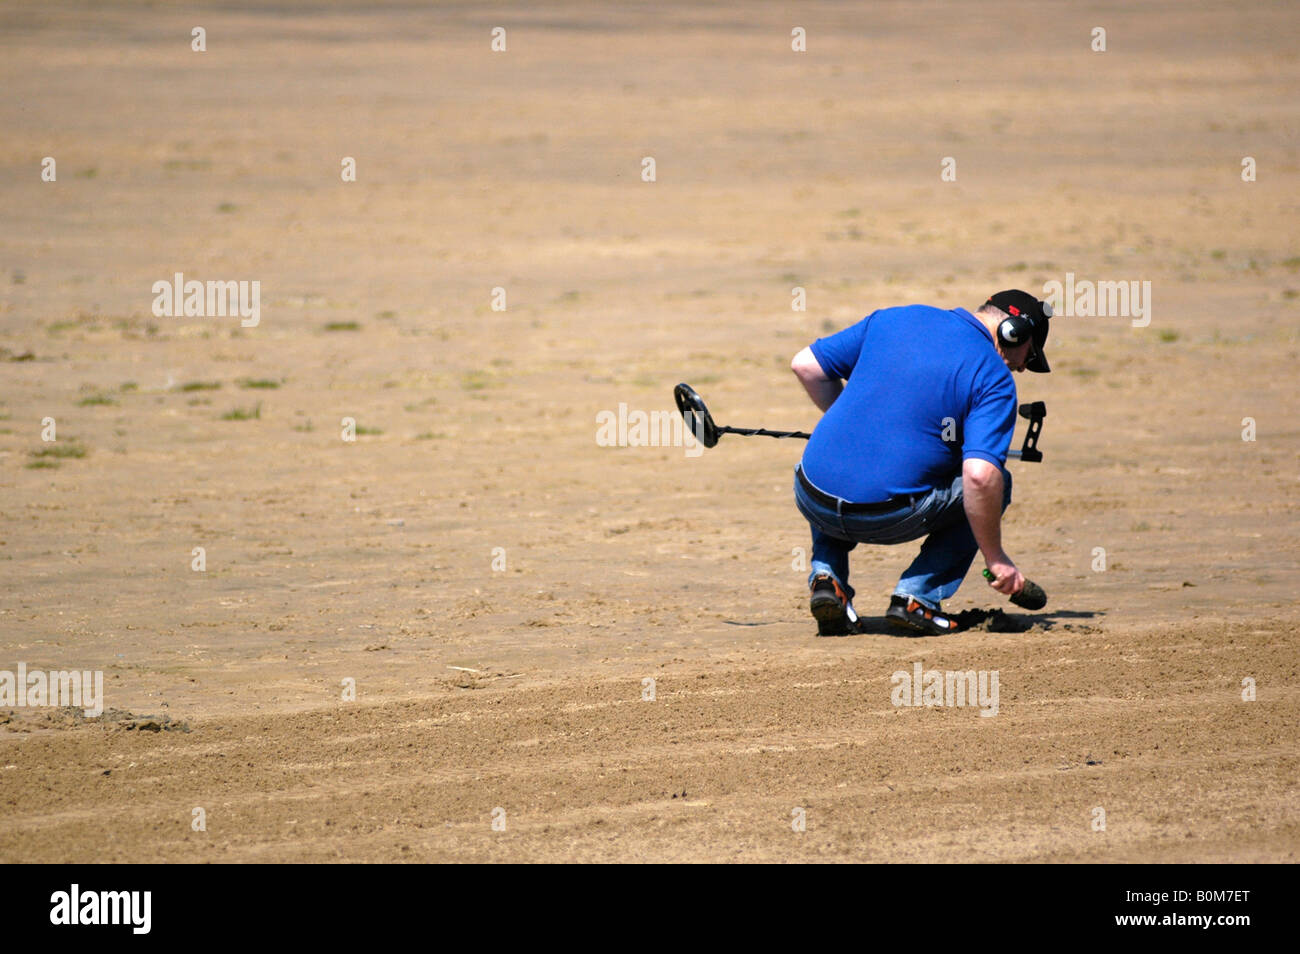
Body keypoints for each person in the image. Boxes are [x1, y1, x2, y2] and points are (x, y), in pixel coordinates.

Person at [790, 290, 1052, 635]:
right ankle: (916, 599)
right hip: (885, 517)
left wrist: (860, 426)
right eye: (1028, 355)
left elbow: (806, 365)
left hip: (811, 497)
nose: (1020, 366)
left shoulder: (894, 317)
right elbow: (979, 477)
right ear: (1014, 331)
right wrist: (996, 559)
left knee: (835, 466)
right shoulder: (994, 378)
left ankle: (828, 580)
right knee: (997, 482)